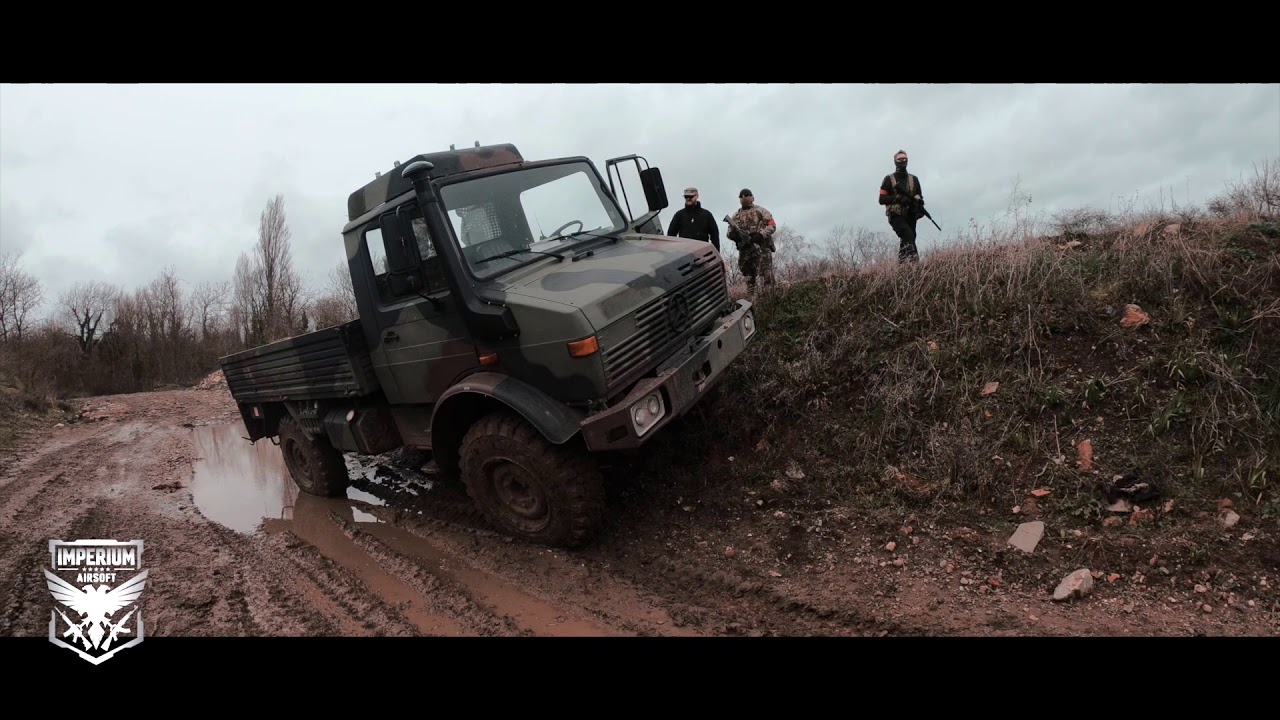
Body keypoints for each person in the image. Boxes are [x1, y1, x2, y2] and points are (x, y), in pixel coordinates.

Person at [726, 188, 777, 292]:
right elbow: (729, 232)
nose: (743, 197)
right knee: (749, 277)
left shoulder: (761, 211)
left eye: (746, 195)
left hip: (761, 248)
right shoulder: (736, 215)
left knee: (767, 276)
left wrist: (761, 235)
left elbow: (772, 225)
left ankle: (771, 299)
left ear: (752, 197)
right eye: (741, 196)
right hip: (745, 250)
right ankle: (751, 301)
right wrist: (734, 236)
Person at [879, 150, 925, 263]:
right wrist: (898, 198)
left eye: (904, 159)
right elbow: (881, 199)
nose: (902, 161)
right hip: (895, 215)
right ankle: (916, 265)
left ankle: (902, 267)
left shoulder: (914, 179)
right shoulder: (889, 179)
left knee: (909, 239)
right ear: (895, 161)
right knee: (908, 236)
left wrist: (919, 207)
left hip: (910, 215)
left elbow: (919, 196)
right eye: (900, 159)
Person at [666, 187, 720, 251]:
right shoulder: (679, 215)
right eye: (686, 197)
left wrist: (716, 254)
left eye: (691, 197)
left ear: (696, 196)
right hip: (684, 252)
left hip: (702, 252)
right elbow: (670, 236)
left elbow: (715, 236)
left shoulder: (707, 215)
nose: (688, 199)